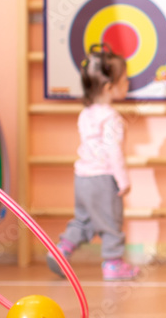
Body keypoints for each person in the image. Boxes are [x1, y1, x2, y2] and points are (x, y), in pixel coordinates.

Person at [48, 44, 138, 281]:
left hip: (82, 178)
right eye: (125, 80)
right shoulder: (112, 118)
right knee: (111, 222)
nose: (128, 84)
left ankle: (62, 249)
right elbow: (113, 151)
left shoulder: (86, 114)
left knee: (83, 220)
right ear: (109, 87)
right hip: (103, 178)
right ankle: (114, 264)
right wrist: (123, 180)